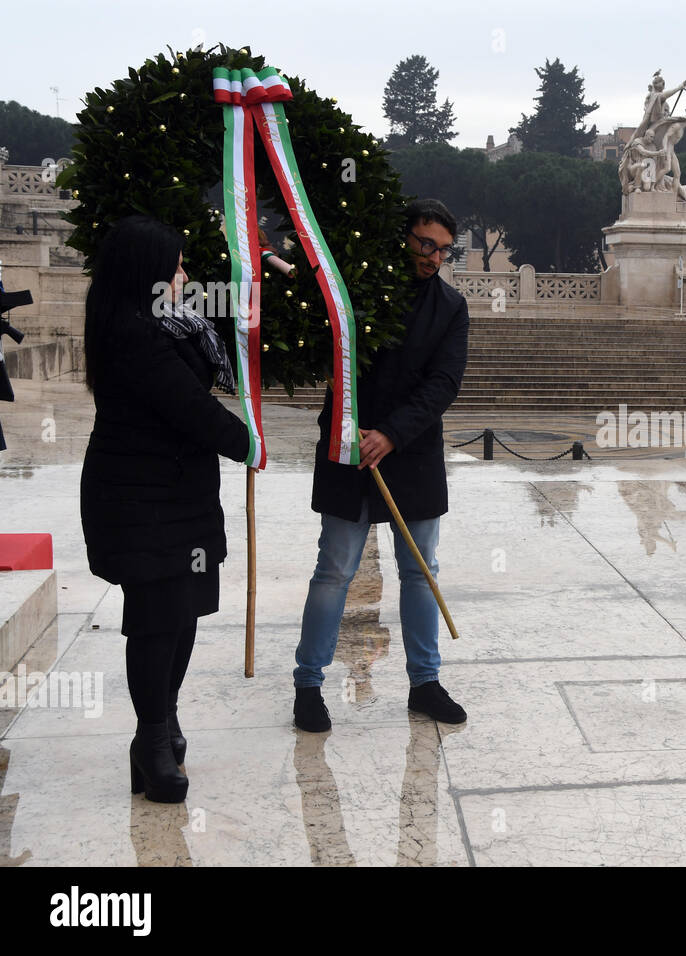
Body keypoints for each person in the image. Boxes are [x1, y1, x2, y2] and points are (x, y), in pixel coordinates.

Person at [80, 215, 252, 802]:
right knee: (156, 621)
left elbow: (227, 332)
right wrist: (247, 443)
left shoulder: (172, 323)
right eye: (175, 265)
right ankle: (152, 740)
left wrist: (263, 275)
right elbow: (188, 408)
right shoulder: (132, 333)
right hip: (139, 498)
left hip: (183, 494)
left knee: (181, 615)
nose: (184, 274)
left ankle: (165, 722)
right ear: (147, 272)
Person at [294, 199, 470, 731]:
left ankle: (425, 682)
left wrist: (392, 434)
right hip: (349, 447)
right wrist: (356, 424)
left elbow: (444, 383)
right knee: (335, 571)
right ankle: (308, 685)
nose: (434, 257)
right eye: (425, 244)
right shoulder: (354, 291)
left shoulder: (450, 307)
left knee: (420, 572)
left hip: (411, 453)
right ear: (404, 237)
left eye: (443, 249)